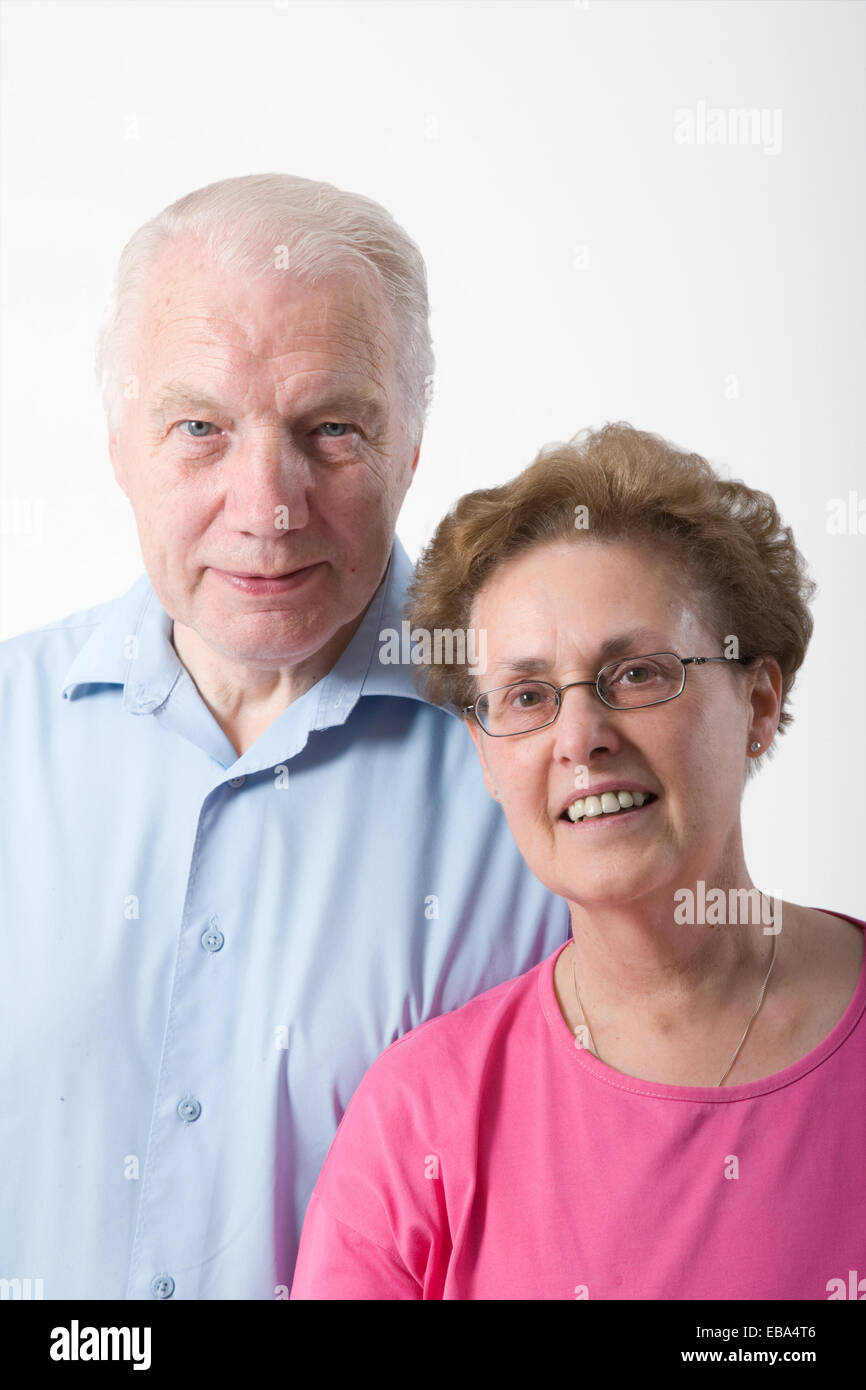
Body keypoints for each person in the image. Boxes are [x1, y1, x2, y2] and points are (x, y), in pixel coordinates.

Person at [0, 174, 569, 1300]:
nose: (268, 506)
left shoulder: (550, 773)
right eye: (199, 427)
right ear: (118, 441)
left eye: (332, 430)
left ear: (410, 446)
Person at [291, 422, 866, 1300]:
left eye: (636, 674)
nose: (581, 739)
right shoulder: (419, 1120)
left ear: (758, 697)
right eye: (525, 696)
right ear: (486, 755)